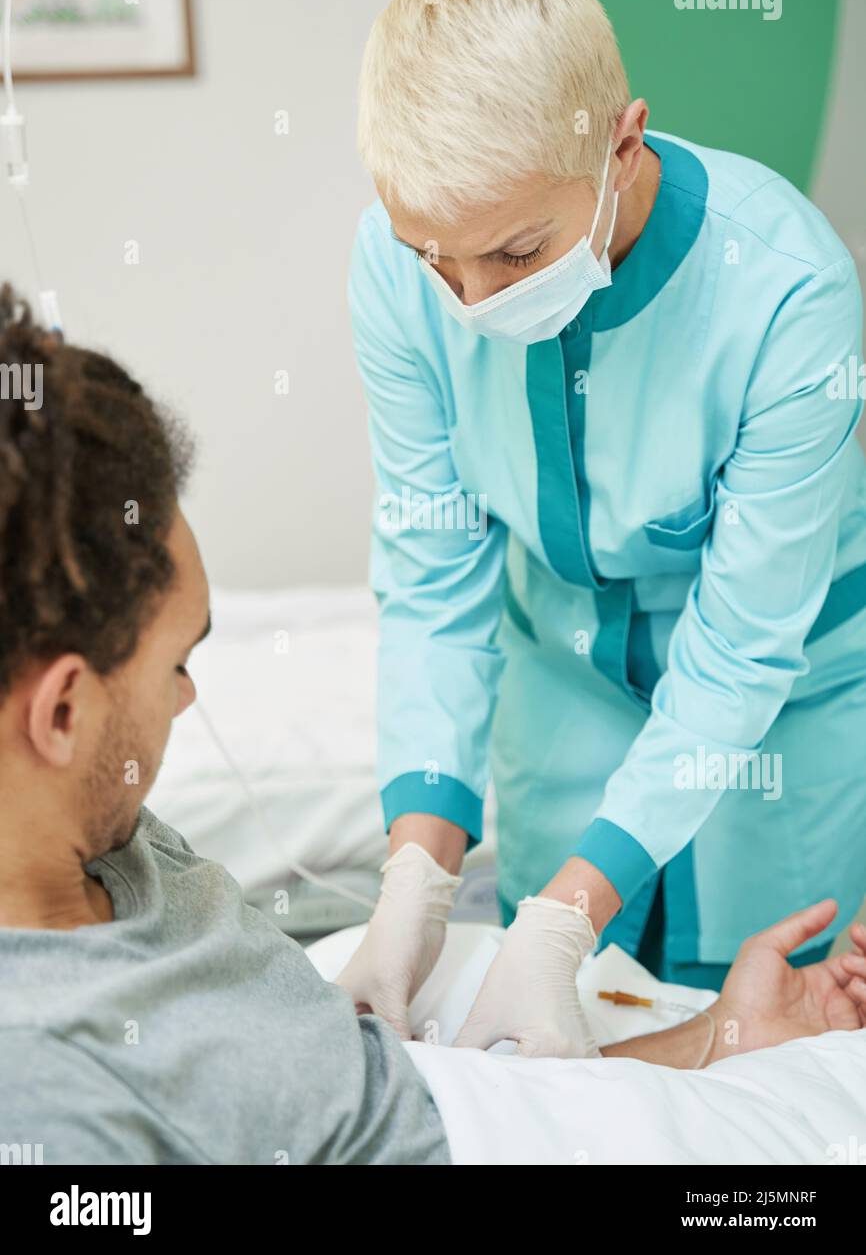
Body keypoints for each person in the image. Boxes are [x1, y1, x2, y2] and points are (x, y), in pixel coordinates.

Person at [1, 286, 864, 1164]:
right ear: (63, 711)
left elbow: (390, 1108)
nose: (187, 699)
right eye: (178, 663)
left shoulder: (113, 846)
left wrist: (717, 1039)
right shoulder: (56, 1093)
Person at [339, 0, 866, 1057]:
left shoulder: (787, 294)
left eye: (514, 251)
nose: (468, 301)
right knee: (565, 1037)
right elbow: (434, 578)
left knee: (768, 1046)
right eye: (436, 259)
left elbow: (737, 648)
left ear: (620, 141)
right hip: (566, 677)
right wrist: (414, 881)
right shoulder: (394, 269)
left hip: (783, 704)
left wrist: (562, 921)